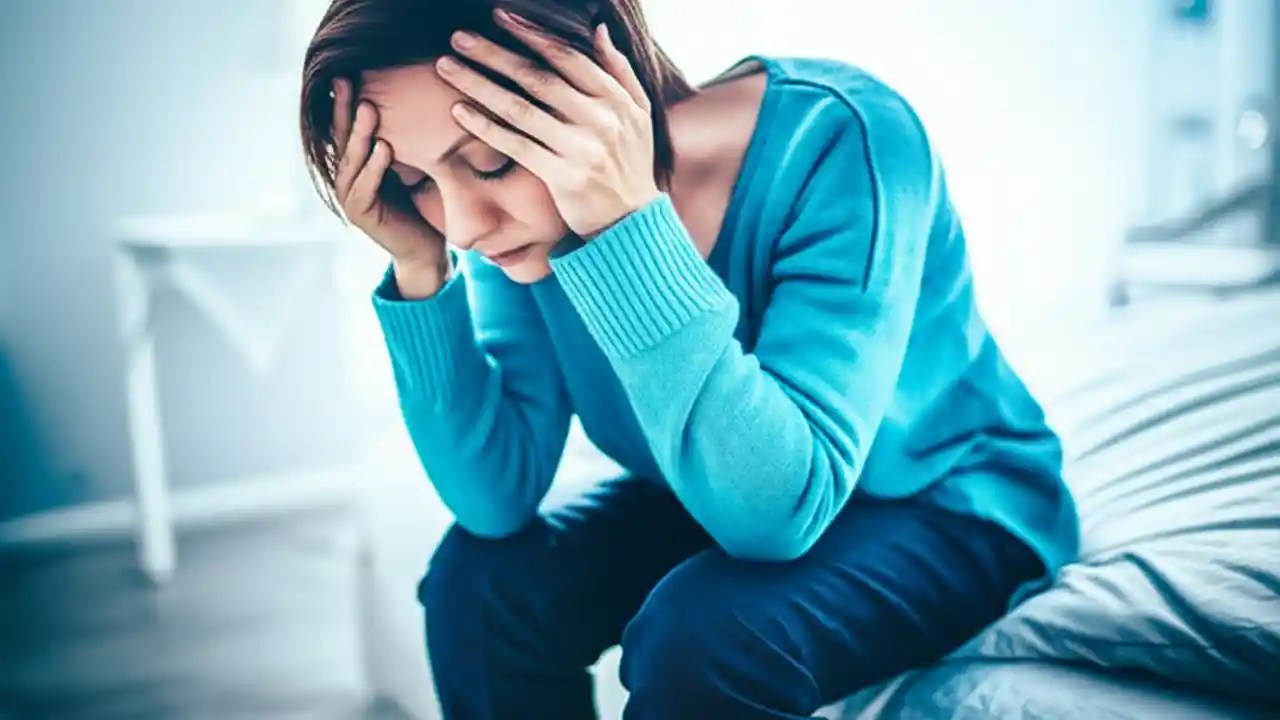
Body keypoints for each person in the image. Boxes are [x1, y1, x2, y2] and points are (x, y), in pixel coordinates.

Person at [298, 1, 1080, 717]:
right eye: (415, 182)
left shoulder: (846, 138)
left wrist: (626, 228)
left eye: (494, 162)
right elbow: (495, 499)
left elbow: (778, 515)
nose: (463, 224)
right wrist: (418, 269)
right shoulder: (515, 237)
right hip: (719, 483)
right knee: (480, 588)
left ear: (595, 86)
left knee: (707, 634)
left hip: (946, 504)